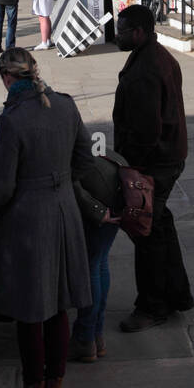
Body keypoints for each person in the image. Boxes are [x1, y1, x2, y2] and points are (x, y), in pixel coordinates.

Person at [0, 48, 92, 388]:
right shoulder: (65, 105)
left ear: (6, 77)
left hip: (29, 217)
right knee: (59, 305)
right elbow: (85, 159)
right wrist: (60, 184)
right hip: (64, 209)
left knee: (31, 310)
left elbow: (2, 185)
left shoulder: (12, 119)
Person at [113, 4, 194, 332]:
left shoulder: (148, 68)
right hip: (167, 155)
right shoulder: (158, 56)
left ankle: (152, 305)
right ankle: (178, 294)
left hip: (155, 162)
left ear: (139, 32)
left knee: (144, 230)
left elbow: (148, 130)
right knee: (159, 224)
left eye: (122, 31)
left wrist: (134, 171)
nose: (117, 35)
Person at [70, 151, 123, 361]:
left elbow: (67, 175)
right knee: (99, 263)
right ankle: (95, 336)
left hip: (100, 194)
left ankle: (85, 338)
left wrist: (95, 209)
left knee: (93, 265)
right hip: (113, 186)